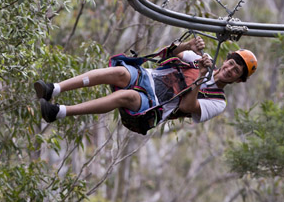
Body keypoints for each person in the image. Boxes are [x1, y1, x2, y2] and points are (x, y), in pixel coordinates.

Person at [33, 36, 257, 135]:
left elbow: (188, 106)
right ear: (227, 60)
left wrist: (200, 76)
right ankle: (55, 88)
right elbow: (168, 55)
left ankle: (60, 112)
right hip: (149, 77)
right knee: (120, 72)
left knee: (128, 97)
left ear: (238, 80)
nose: (230, 69)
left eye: (236, 71)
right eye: (231, 63)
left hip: (156, 105)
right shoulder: (201, 59)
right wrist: (188, 45)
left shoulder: (218, 101)